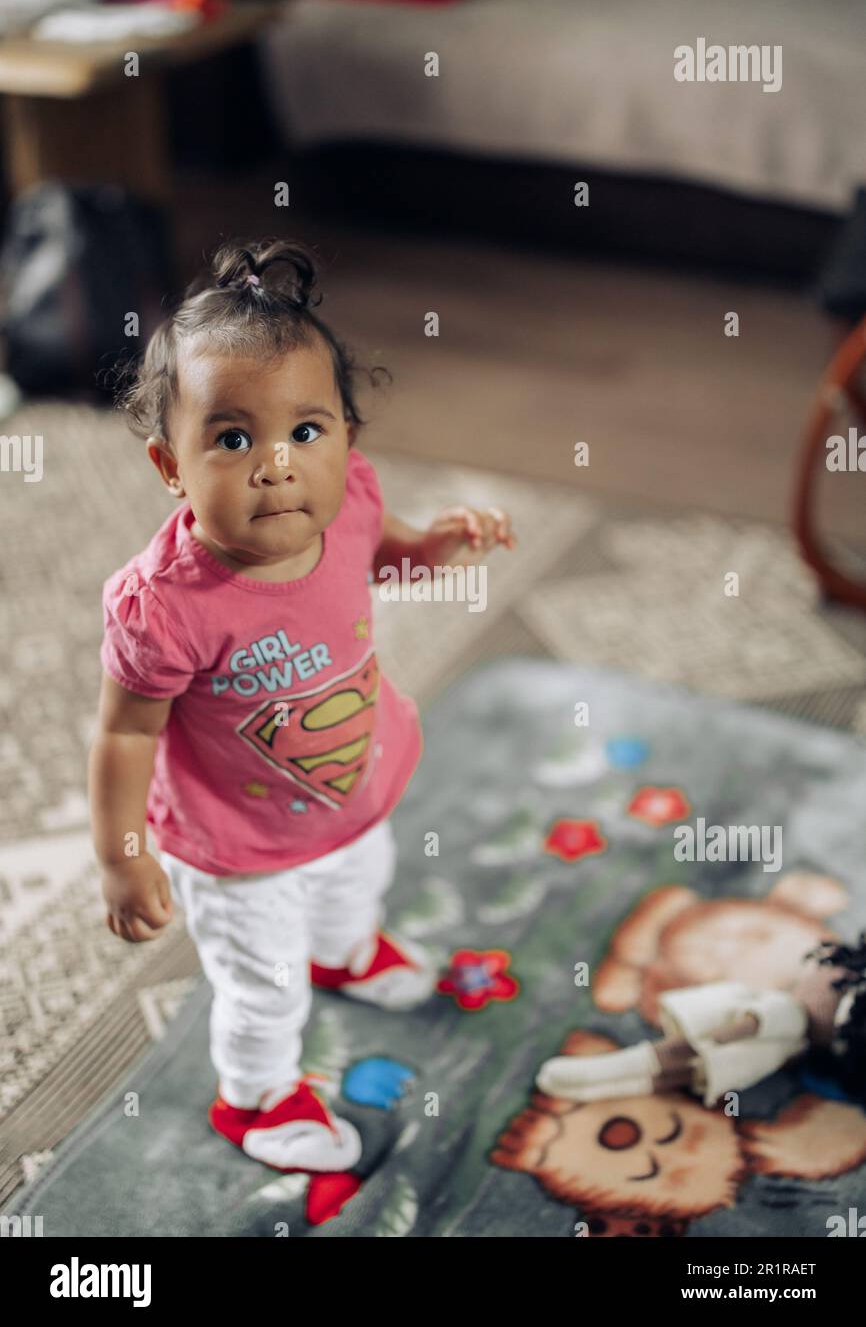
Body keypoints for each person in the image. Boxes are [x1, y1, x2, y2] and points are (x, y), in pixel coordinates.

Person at [88, 237, 517, 1173]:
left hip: (353, 787)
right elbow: (124, 733)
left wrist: (438, 545)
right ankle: (255, 1098)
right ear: (171, 466)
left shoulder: (352, 503)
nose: (277, 466)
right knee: (263, 985)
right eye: (232, 438)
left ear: (349, 440)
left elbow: (388, 555)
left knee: (357, 887)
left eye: (306, 433)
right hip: (239, 849)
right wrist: (123, 859)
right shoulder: (165, 605)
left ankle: (346, 951)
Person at [536, 934, 866, 1109]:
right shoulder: (797, 1021)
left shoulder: (792, 1018)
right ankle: (615, 1075)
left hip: (735, 1044)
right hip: (751, 1051)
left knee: (681, 1062)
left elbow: (744, 1027)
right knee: (683, 1070)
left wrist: (721, 1036)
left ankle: (612, 1073)